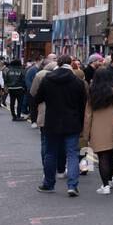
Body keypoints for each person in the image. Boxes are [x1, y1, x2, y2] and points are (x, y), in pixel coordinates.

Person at [33, 55, 87, 197]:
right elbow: (83, 106)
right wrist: (81, 123)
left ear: (58, 64)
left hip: (52, 122)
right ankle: (72, 186)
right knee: (72, 154)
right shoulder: (78, 82)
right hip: (72, 122)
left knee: (50, 153)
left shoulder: (48, 79)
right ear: (70, 64)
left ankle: (49, 184)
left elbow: (37, 98)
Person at [83, 66, 113, 194]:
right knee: (112, 154)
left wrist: (86, 134)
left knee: (102, 156)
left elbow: (88, 115)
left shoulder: (93, 93)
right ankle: (109, 178)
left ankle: (105, 185)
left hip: (98, 126)